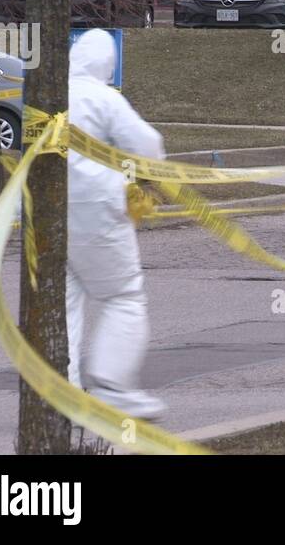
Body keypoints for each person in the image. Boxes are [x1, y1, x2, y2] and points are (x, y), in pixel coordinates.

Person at [65, 29, 167, 420]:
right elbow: (147, 145)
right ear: (108, 65)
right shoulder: (105, 98)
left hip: (43, 210)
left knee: (62, 300)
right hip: (96, 209)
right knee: (122, 295)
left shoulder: (47, 95)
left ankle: (61, 390)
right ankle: (112, 387)